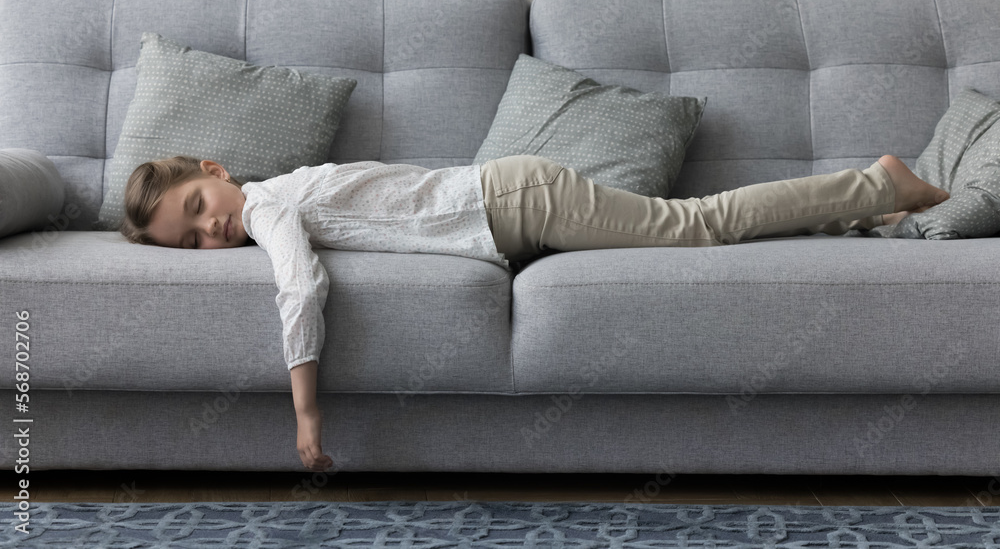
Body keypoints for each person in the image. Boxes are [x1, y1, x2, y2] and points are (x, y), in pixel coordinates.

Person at [118, 153, 950, 471]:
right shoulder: (268, 197)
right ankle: (859, 209)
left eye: (198, 203)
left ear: (214, 168)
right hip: (511, 207)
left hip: (518, 200)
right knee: (695, 224)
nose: (210, 227)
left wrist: (304, 409)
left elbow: (299, 284)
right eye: (190, 240)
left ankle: (876, 183)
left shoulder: (266, 207)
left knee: (698, 225)